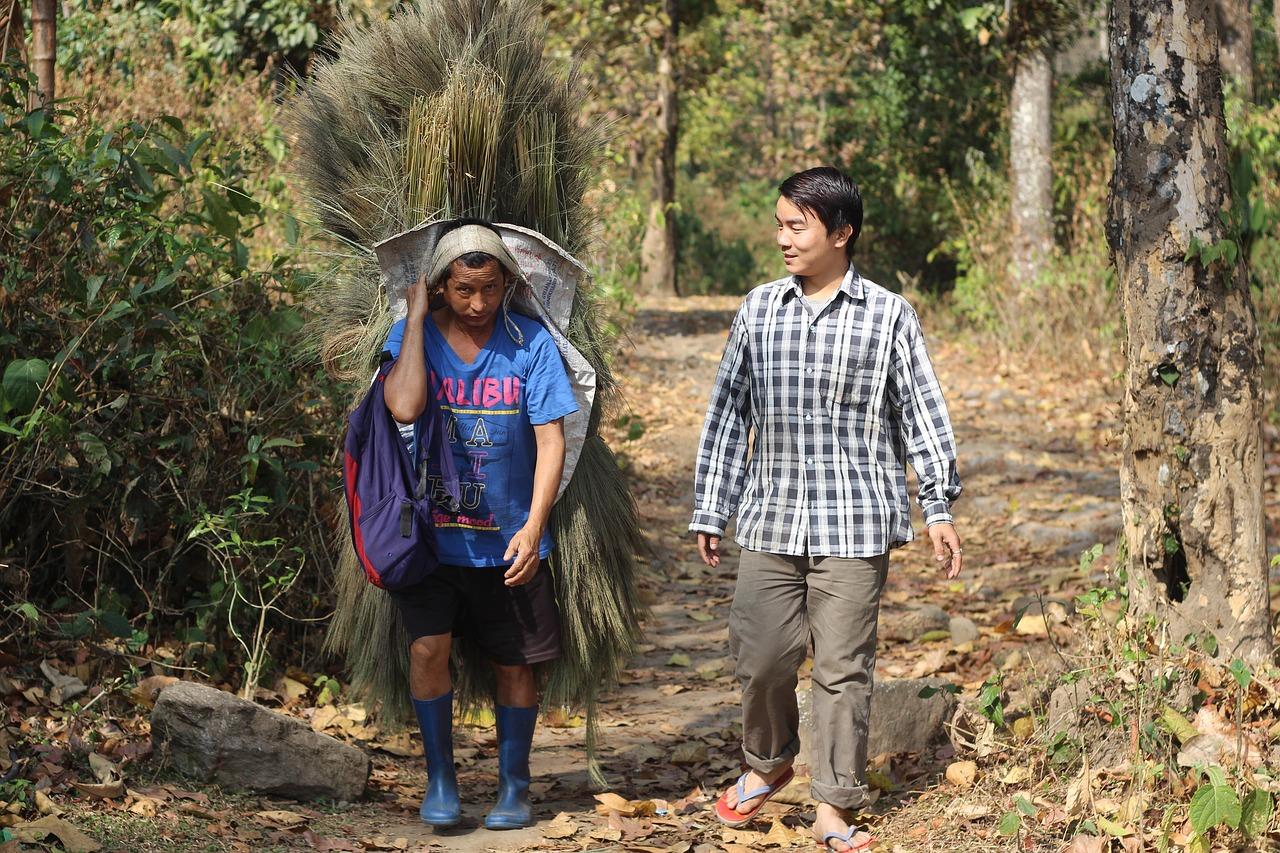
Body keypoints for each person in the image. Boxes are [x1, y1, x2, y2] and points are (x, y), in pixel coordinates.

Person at [690, 167, 963, 852]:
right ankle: (770, 759)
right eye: (779, 224)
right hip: (769, 516)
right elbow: (729, 412)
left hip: (856, 521)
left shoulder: (889, 315)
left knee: (843, 668)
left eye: (796, 225)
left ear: (840, 233)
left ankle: (835, 805)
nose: (781, 238)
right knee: (762, 656)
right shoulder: (759, 309)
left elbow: (922, 414)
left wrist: (939, 506)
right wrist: (711, 506)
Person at [381, 220, 579, 831]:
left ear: (507, 284)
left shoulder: (531, 345)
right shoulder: (409, 337)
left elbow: (552, 440)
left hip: (508, 542)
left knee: (515, 664)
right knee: (426, 648)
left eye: (489, 290)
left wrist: (534, 526)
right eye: (463, 290)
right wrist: (414, 321)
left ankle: (513, 786)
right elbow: (404, 407)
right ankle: (441, 778)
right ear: (441, 286)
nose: (477, 304)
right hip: (429, 540)